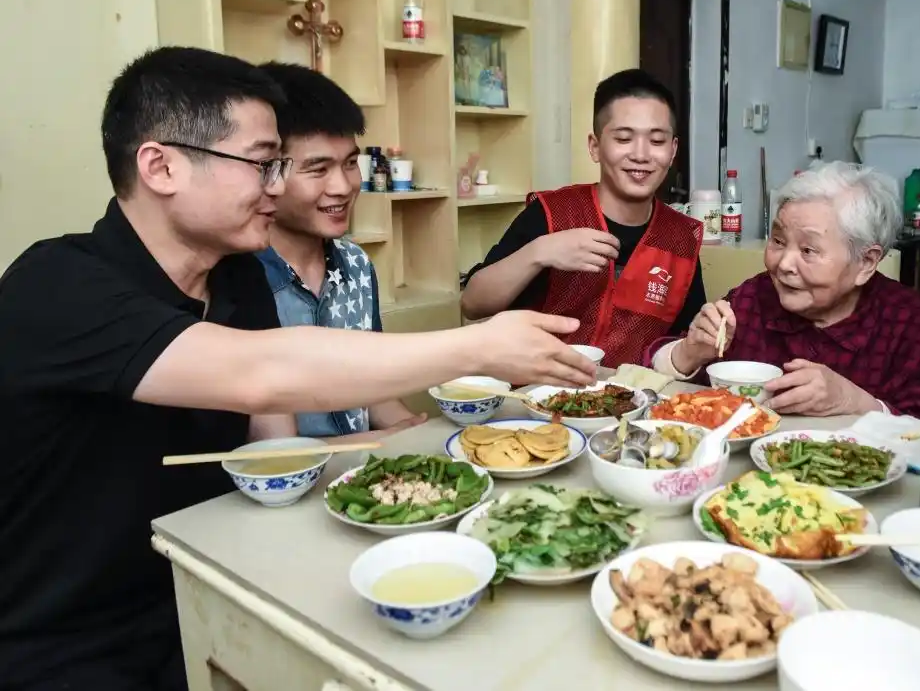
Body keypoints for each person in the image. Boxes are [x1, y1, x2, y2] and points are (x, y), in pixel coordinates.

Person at [0, 47, 595, 691]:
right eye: (263, 164)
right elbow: (258, 372)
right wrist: (476, 346)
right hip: (67, 642)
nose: (276, 185)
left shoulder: (234, 281)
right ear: (161, 165)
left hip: (216, 580)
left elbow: (273, 452)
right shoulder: (56, 284)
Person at [646, 161, 920, 418]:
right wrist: (688, 352)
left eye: (808, 250)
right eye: (778, 241)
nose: (783, 264)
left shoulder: (911, 323)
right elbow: (657, 378)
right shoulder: (754, 298)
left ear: (866, 262)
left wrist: (855, 402)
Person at [459, 68, 706, 368]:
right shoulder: (551, 213)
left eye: (657, 141)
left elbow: (685, 344)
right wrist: (540, 252)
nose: (641, 155)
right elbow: (472, 303)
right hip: (537, 398)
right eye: (624, 138)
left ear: (673, 150)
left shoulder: (681, 238)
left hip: (637, 403)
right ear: (595, 146)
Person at [255, 61, 425, 440]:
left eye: (351, 163)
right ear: (267, 172)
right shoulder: (240, 279)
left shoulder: (356, 264)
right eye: (318, 169)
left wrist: (412, 432)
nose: (344, 186)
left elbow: (374, 389)